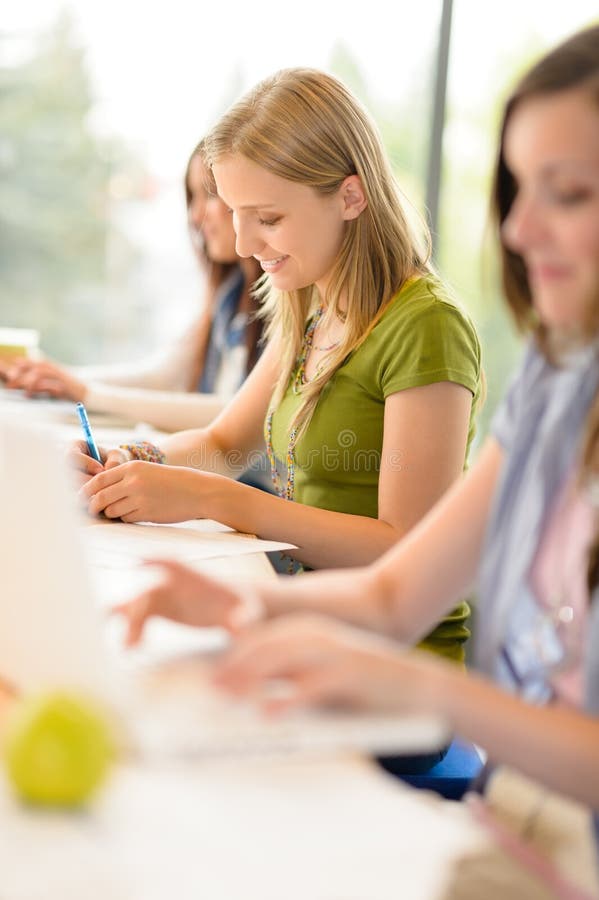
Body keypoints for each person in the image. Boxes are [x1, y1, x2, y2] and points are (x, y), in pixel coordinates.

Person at [114, 25, 599, 890]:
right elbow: (388, 591)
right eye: (517, 190)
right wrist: (225, 600)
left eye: (566, 192)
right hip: (517, 815)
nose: (517, 230)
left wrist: (432, 693)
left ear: (346, 196)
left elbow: (395, 564)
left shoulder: (427, 326)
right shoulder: (557, 383)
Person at [72, 68, 481, 680]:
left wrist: (211, 496)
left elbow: (402, 547)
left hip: (394, 666)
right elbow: (221, 445)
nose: (241, 243)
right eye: (235, 212)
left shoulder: (426, 326)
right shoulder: (309, 301)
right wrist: (123, 462)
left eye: (266, 217)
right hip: (304, 625)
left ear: (350, 196)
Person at [0, 142, 264, 433]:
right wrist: (58, 379)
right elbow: (161, 376)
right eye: (193, 198)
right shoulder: (228, 295)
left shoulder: (284, 304)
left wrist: (84, 391)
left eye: (211, 195)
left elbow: (236, 414)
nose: (196, 216)